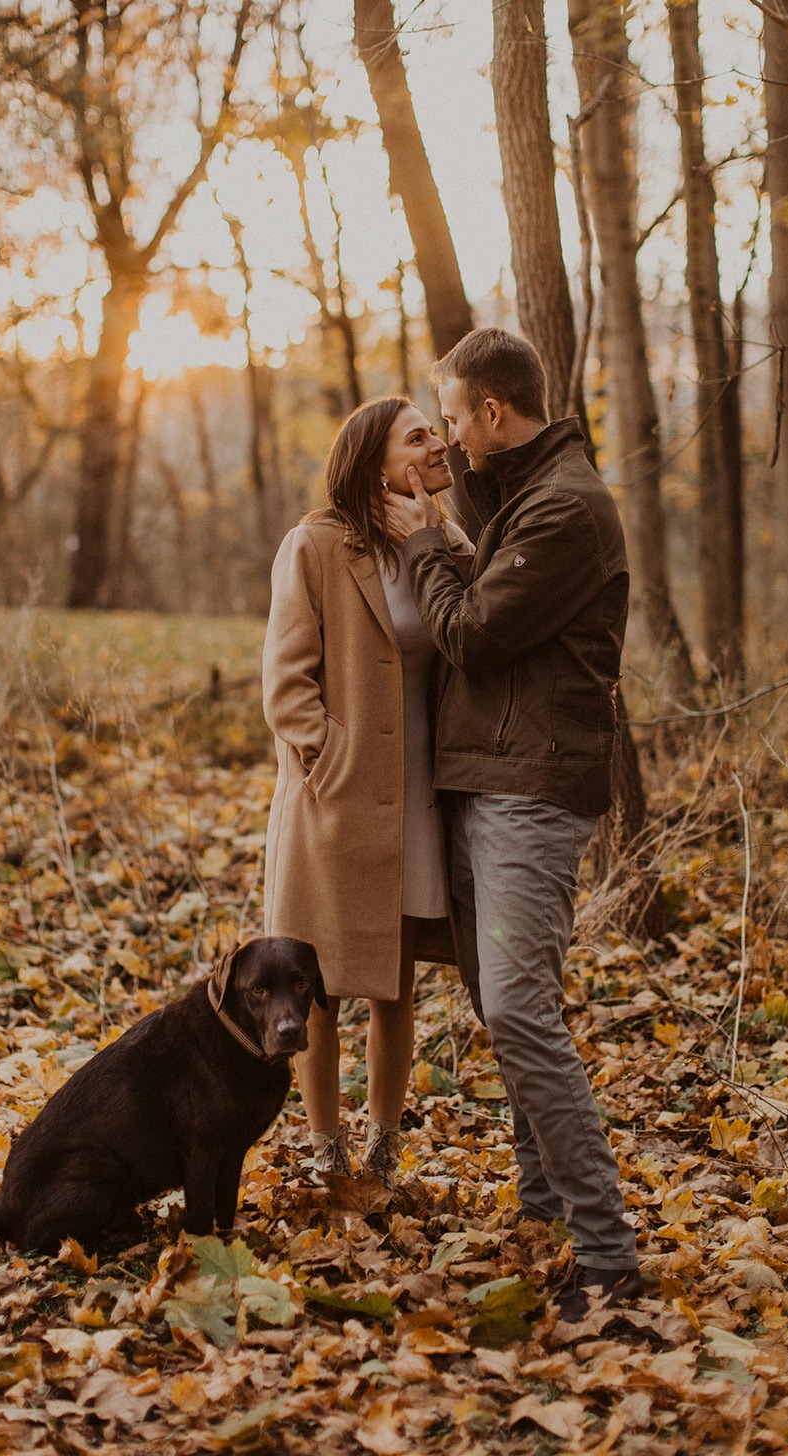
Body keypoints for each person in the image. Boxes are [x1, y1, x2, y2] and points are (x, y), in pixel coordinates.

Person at [383, 327, 643, 1321]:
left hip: (529, 791)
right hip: (491, 780)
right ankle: (539, 1210)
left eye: (453, 417)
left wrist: (416, 544)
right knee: (505, 1010)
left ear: (494, 412)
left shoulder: (566, 511)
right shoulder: (531, 491)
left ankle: (607, 1255)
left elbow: (473, 631)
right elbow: (483, 540)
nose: (445, 438)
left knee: (523, 1014)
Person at [262, 396, 470, 1188]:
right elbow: (285, 684)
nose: (436, 443)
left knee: (394, 980)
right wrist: (329, 760)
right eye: (416, 436)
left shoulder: (444, 538)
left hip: (421, 794)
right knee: (318, 986)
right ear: (374, 461)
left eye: (437, 430)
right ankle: (323, 1148)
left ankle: (383, 1143)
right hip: (337, 800)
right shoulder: (313, 545)